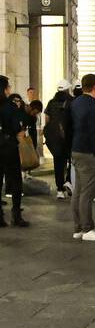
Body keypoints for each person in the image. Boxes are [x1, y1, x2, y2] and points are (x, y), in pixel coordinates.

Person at [69, 75, 95, 243]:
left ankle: (78, 228)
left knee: (78, 191)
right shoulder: (93, 107)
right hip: (88, 152)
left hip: (76, 149)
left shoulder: (75, 103)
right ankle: (87, 228)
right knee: (87, 192)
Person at [0, 76, 28, 228]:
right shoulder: (9, 106)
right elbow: (18, 127)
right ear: (5, 89)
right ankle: (16, 215)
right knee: (16, 180)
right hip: (8, 145)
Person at [44, 81, 74, 199]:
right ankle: (69, 182)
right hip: (69, 137)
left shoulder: (51, 103)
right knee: (71, 161)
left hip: (55, 139)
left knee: (58, 163)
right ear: (67, 90)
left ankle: (60, 189)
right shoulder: (72, 102)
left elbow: (47, 119)